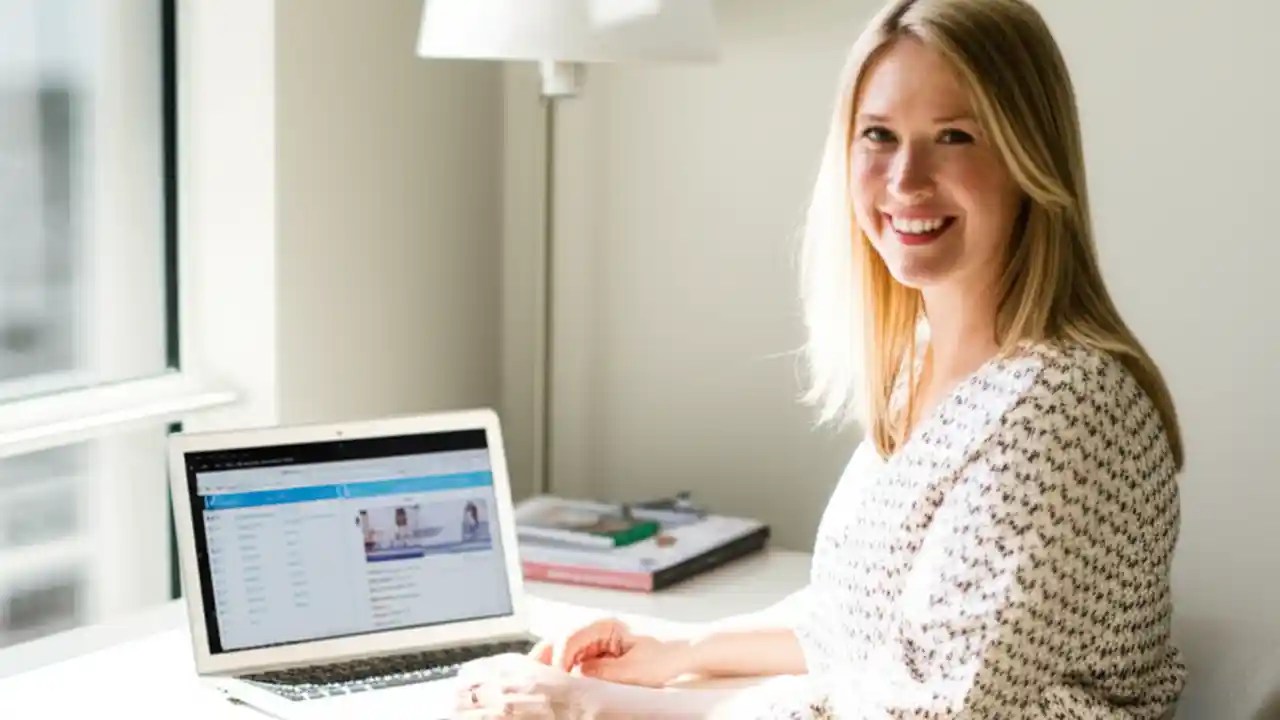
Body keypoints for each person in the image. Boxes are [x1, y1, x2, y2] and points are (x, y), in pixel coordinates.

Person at [455, 0, 1186, 716]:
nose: (906, 180)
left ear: (1031, 158)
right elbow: (862, 622)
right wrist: (681, 650)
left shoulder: (1065, 406)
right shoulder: (927, 368)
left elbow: (926, 707)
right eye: (879, 135)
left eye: (955, 136)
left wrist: (597, 706)